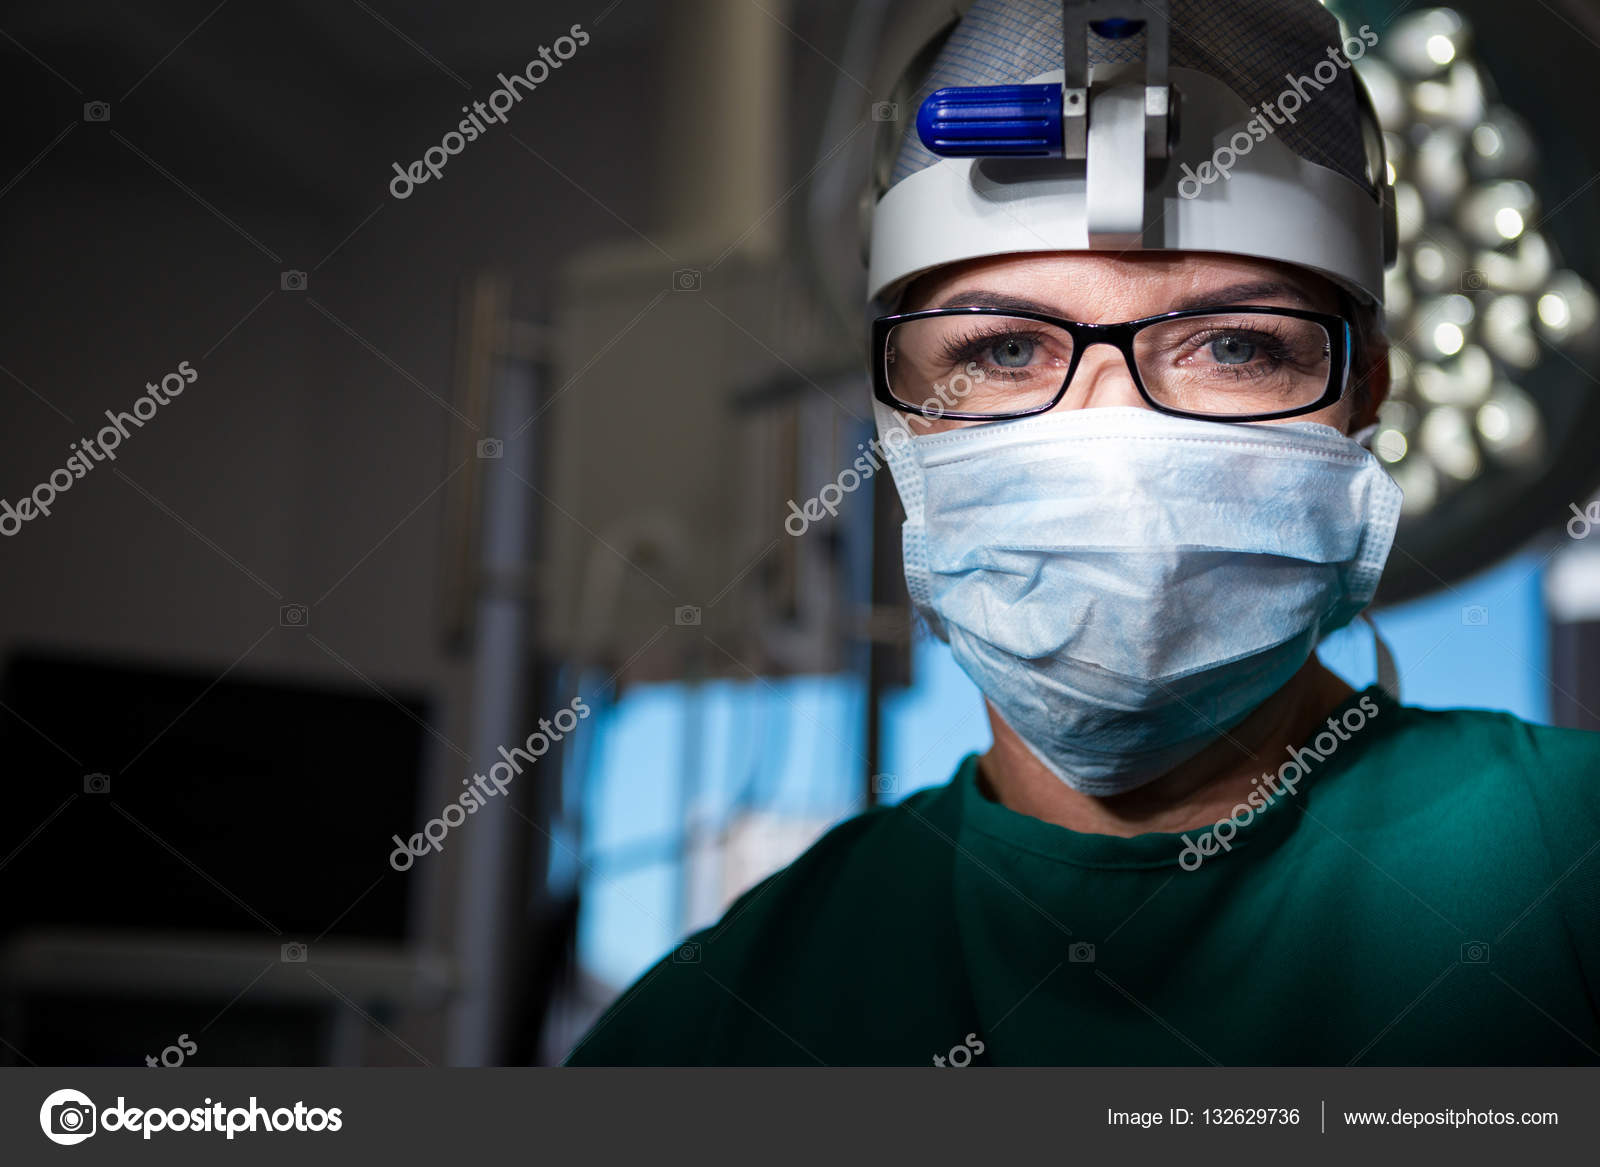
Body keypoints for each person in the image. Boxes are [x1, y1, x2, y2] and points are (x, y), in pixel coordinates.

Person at [566, 0, 1600, 1065]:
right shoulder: (722, 1025)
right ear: (902, 418)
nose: (1116, 445)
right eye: (1008, 351)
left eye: (1235, 348)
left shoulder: (1563, 870)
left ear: (1362, 392)